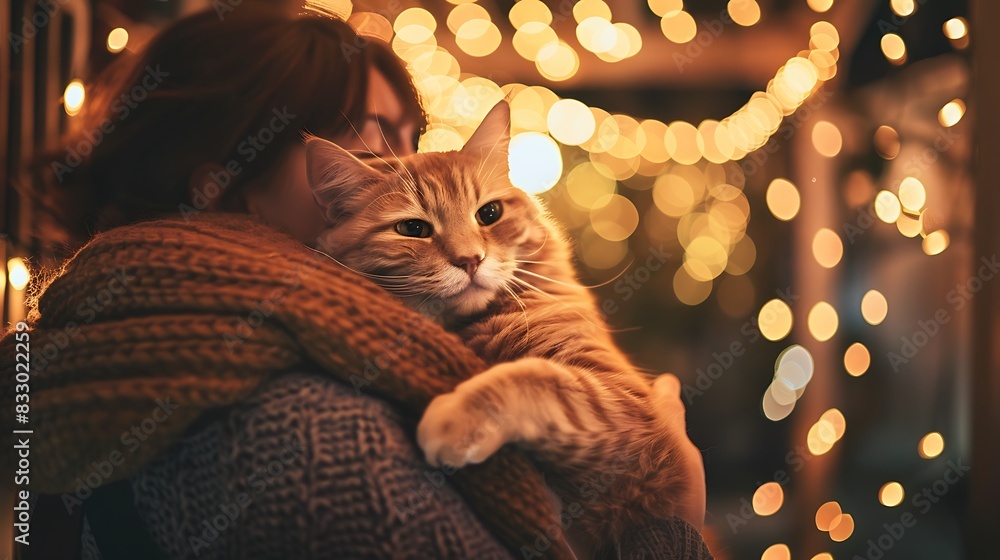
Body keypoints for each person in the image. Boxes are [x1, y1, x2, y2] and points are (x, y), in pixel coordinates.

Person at [27, 5, 711, 559]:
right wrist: (670, 526)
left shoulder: (133, 336)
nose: (406, 174)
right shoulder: (314, 432)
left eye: (414, 142)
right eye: (369, 150)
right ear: (220, 186)